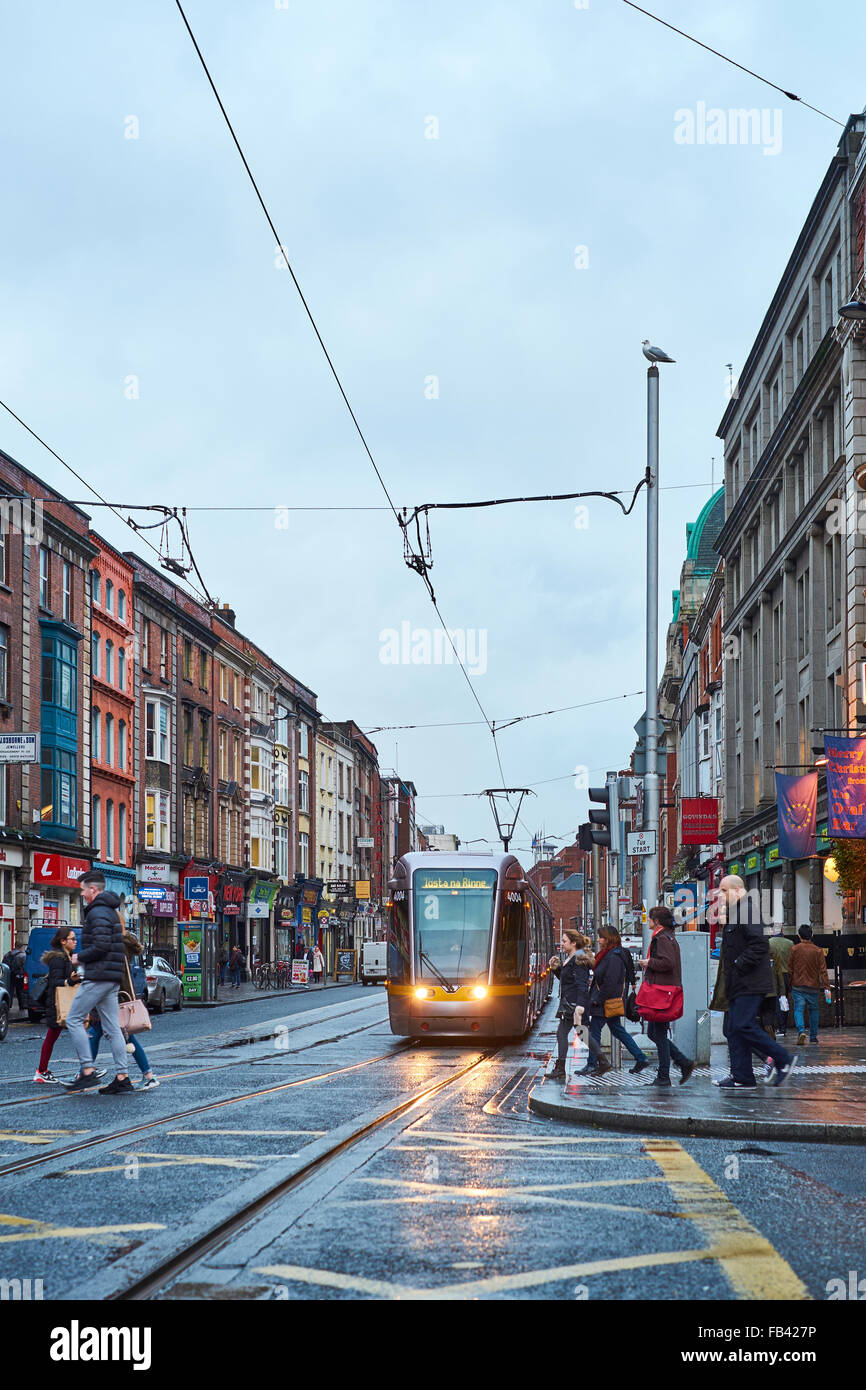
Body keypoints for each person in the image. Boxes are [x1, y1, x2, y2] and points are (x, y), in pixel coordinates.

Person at [715, 874, 796, 1089]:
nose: (720, 895)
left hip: (749, 982)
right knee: (734, 1029)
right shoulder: (736, 913)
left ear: (738, 890)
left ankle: (783, 1059)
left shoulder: (747, 911)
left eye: (724, 890)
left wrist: (738, 964)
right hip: (738, 983)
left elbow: (760, 945)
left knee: (743, 1025)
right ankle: (742, 1076)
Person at [62, 870, 133, 1094]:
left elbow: (101, 946)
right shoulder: (110, 911)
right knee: (112, 1028)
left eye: (83, 890)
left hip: (99, 975)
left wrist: (79, 957)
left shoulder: (98, 912)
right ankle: (122, 1076)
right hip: (111, 977)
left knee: (74, 1019)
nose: (82, 894)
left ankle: (87, 1070)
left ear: (93, 889)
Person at [88, 916, 159, 1090]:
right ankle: (86, 1073)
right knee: (99, 1033)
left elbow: (114, 974)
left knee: (112, 1035)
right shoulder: (121, 943)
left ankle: (86, 1073)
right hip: (115, 997)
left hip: (115, 998)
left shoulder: (116, 945)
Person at [580, 925, 650, 1077]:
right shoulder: (609, 954)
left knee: (594, 1031)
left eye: (601, 937)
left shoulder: (613, 957)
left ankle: (593, 1064)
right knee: (617, 1030)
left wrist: (597, 999)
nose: (598, 940)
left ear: (608, 939)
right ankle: (640, 1057)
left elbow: (610, 982)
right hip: (608, 1001)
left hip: (605, 1002)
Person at [638, 906, 695, 1088]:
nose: (648, 921)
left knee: (659, 1033)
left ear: (657, 921)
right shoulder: (667, 936)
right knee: (654, 1032)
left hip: (661, 992)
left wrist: (649, 962)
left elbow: (667, 963)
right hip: (663, 991)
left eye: (650, 918)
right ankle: (682, 1062)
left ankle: (665, 1075)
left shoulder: (662, 938)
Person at [33, 927, 81, 1083]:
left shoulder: (67, 957)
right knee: (58, 1035)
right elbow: (55, 981)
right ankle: (42, 1071)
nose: (75, 942)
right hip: (57, 1003)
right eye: (72, 939)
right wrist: (70, 980)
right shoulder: (58, 959)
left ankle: (43, 1070)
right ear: (63, 941)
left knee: (66, 1035)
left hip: (63, 1003)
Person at [546, 929, 594, 1081]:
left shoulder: (578, 959)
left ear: (573, 943)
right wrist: (556, 969)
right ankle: (561, 1068)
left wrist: (580, 1006)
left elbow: (581, 985)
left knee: (580, 1034)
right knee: (568, 1034)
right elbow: (567, 980)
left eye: (564, 941)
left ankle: (601, 1061)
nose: (561, 944)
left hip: (573, 1005)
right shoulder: (571, 958)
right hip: (570, 1004)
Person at [788, 924, 830, 1046]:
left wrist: (789, 983)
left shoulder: (794, 949)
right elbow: (823, 971)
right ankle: (813, 1037)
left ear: (799, 936)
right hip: (813, 986)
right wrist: (827, 987)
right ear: (812, 935)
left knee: (798, 1009)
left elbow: (790, 969)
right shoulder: (818, 951)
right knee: (814, 1011)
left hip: (798, 985)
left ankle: (801, 1031)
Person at [769, 929, 794, 1035]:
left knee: (774, 1001)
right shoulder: (790, 943)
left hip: (773, 975)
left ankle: (774, 1026)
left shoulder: (769, 943)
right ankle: (783, 1027)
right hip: (786, 975)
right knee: (784, 1000)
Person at [2, 944, 26, 1012]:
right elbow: (24, 966)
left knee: (10, 990)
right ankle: (21, 1005)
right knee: (20, 991)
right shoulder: (23, 955)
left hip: (9, 975)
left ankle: (9, 1005)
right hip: (19, 975)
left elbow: (3, 964)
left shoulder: (7, 954)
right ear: (21, 946)